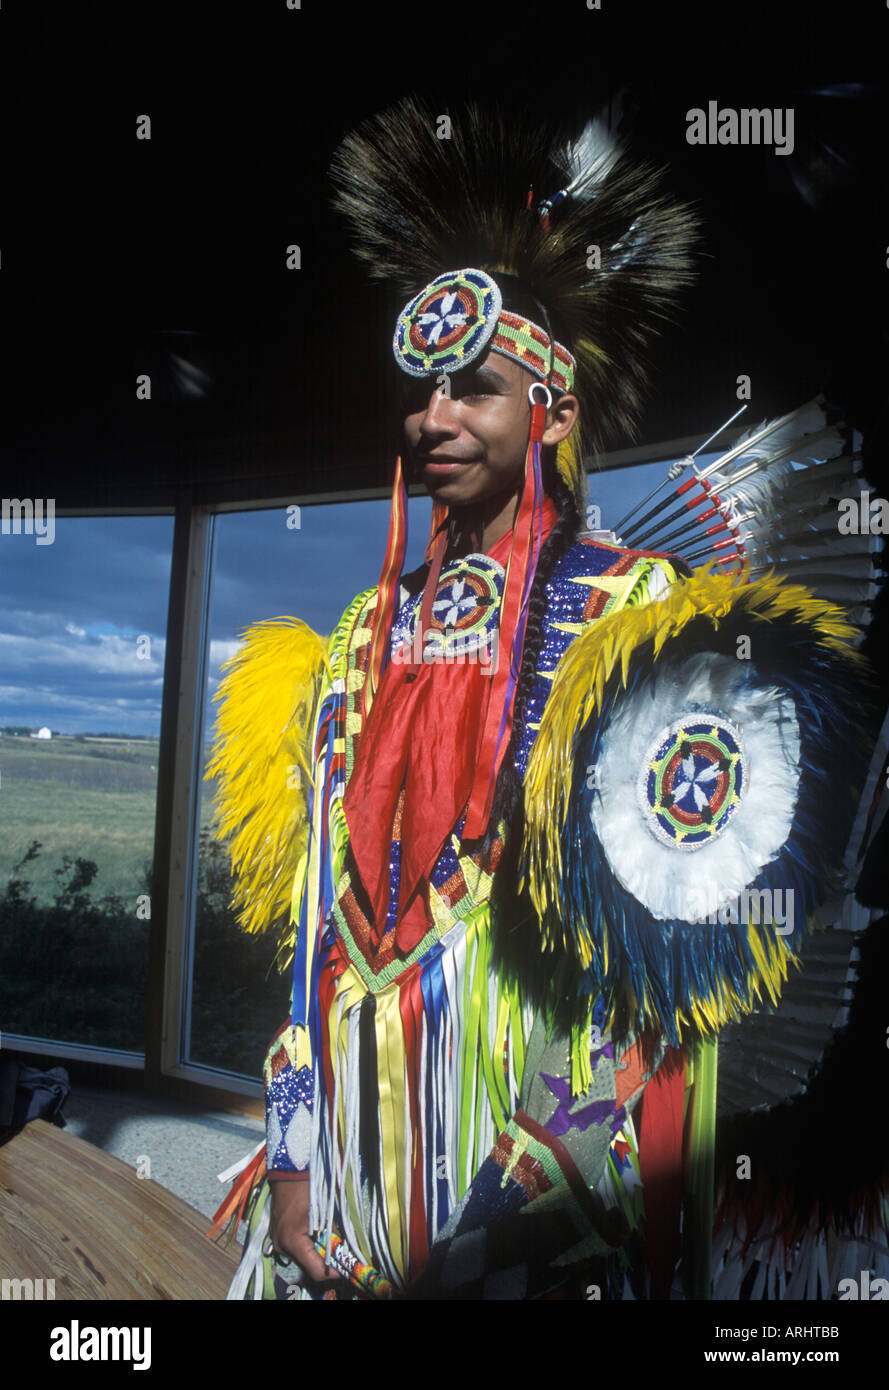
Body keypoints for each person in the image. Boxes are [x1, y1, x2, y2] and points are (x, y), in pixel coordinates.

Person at [208, 99, 882, 1300]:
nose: (433, 418)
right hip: (353, 1192)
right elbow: (318, 935)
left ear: (555, 412)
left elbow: (670, 961)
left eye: (474, 388)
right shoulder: (361, 636)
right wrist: (298, 1149)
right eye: (420, 390)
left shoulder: (643, 622)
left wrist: (529, 1199)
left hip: (536, 1191)